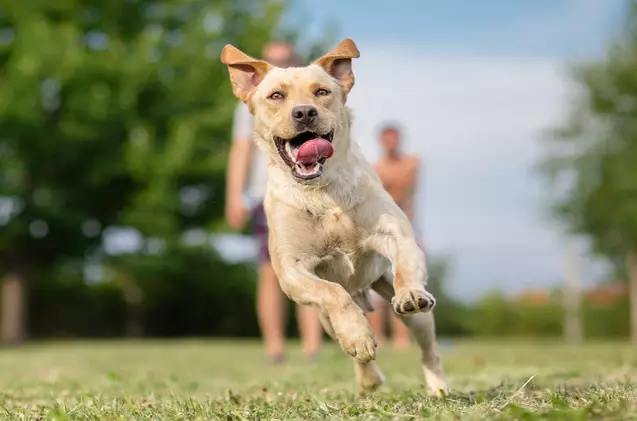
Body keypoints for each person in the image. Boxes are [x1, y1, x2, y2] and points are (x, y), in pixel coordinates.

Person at [225, 41, 323, 363]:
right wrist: (233, 197)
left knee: (310, 269)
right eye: (274, 60)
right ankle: (275, 348)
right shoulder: (253, 101)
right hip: (266, 194)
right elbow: (242, 149)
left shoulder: (313, 100)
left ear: (298, 62)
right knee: (270, 270)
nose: (280, 64)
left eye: (286, 59)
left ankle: (312, 348)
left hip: (309, 191)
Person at [369, 124, 422, 350]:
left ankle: (402, 337)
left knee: (406, 281)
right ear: (381, 142)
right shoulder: (375, 168)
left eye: (395, 139)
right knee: (377, 285)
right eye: (387, 139)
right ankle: (378, 336)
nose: (392, 143)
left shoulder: (413, 163)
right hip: (381, 226)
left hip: (408, 226)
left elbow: (405, 193)